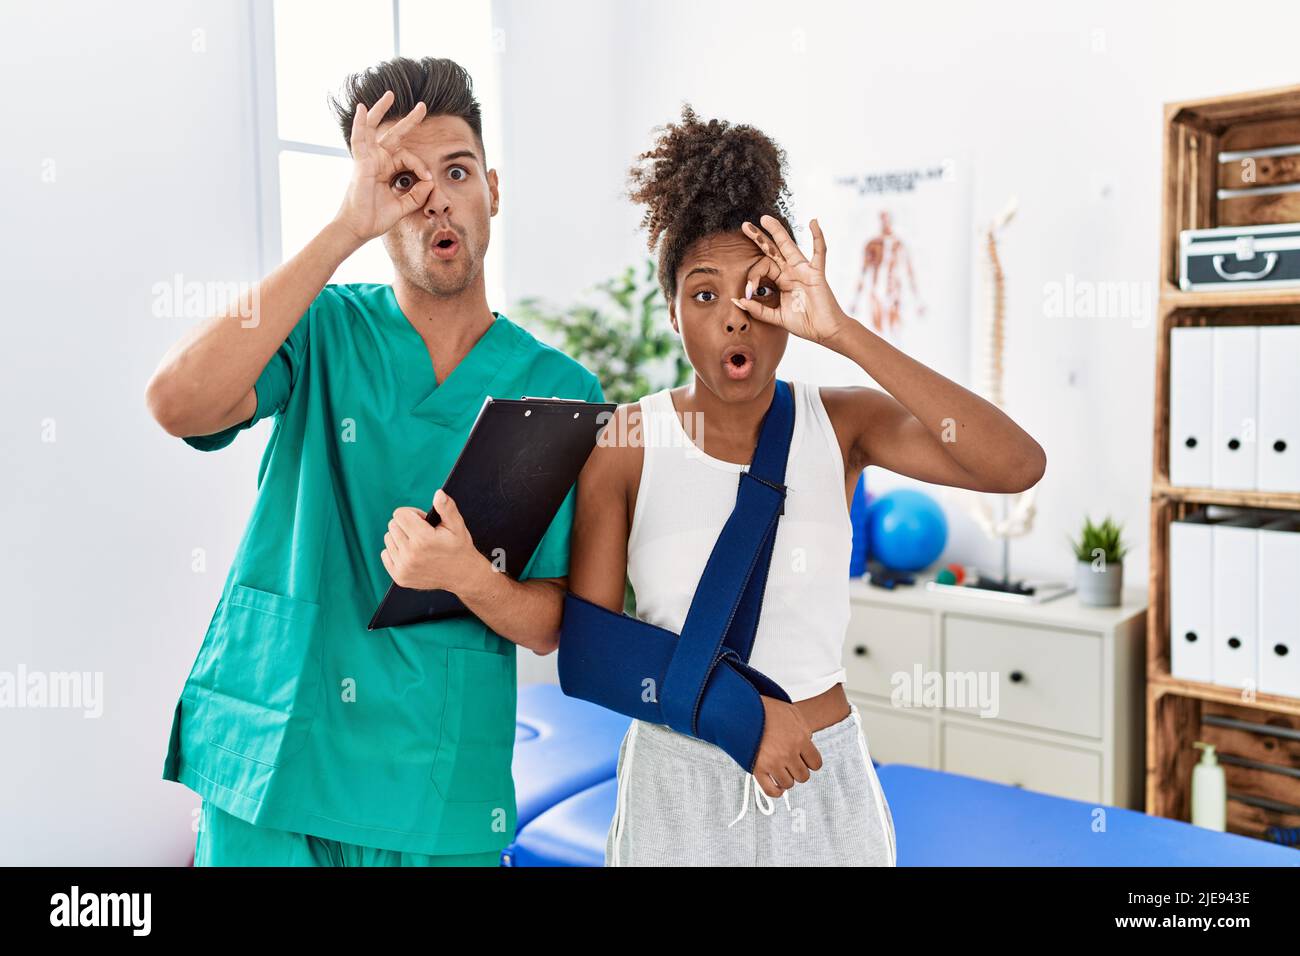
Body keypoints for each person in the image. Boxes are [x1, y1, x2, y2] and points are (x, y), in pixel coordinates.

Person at [146, 56, 602, 866]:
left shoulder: (556, 388)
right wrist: (339, 231)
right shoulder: (322, 331)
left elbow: (554, 623)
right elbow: (178, 402)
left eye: (457, 171)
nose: (435, 198)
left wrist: (470, 578)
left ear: (492, 189)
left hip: (435, 783)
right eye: (401, 181)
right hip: (280, 751)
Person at [567, 105, 1046, 866]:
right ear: (671, 313)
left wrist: (844, 331)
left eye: (757, 291)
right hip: (676, 787)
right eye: (703, 295)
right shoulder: (627, 441)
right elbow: (591, 655)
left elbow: (1014, 466)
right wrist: (740, 716)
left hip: (819, 779)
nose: (734, 319)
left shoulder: (841, 424)